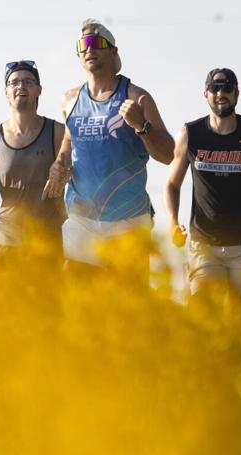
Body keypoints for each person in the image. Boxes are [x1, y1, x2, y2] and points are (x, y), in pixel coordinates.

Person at [43, 19, 174, 278]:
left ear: (113, 51)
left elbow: (169, 154)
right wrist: (59, 165)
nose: (89, 48)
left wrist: (141, 125)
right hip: (82, 218)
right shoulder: (70, 100)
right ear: (78, 55)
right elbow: (68, 144)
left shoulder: (137, 97)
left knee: (128, 309)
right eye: (83, 44)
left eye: (96, 42)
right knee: (79, 307)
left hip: (127, 221)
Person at [164, 68, 241, 325]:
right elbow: (171, 184)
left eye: (227, 89)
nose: (221, 94)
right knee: (203, 318)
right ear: (206, 94)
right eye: (215, 89)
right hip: (205, 244)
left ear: (237, 93)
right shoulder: (190, 134)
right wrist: (172, 221)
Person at [0, 59, 66, 269]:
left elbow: (78, 175)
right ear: (6, 92)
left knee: (49, 303)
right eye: (14, 83)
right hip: (7, 242)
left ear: (39, 90)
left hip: (48, 240)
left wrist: (64, 173)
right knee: (6, 304)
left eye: (28, 82)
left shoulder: (58, 132)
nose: (20, 87)